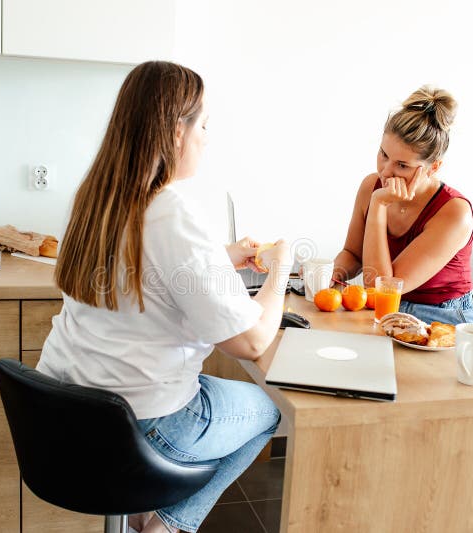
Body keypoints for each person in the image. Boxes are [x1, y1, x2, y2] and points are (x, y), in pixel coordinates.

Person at [36, 61, 290, 533]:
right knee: (269, 411)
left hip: (62, 418)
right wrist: (281, 272)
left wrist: (222, 256)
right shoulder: (172, 212)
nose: (208, 138)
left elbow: (145, 267)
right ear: (177, 131)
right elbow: (252, 342)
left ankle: (144, 515)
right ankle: (165, 524)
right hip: (139, 427)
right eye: (204, 125)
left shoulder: (97, 197)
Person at [332, 85, 473, 325]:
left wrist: (379, 206)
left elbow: (380, 288)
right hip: (384, 314)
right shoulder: (371, 186)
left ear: (433, 167)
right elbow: (353, 254)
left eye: (402, 165)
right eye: (383, 154)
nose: (385, 171)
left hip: (443, 318)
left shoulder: (455, 212)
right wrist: (329, 275)